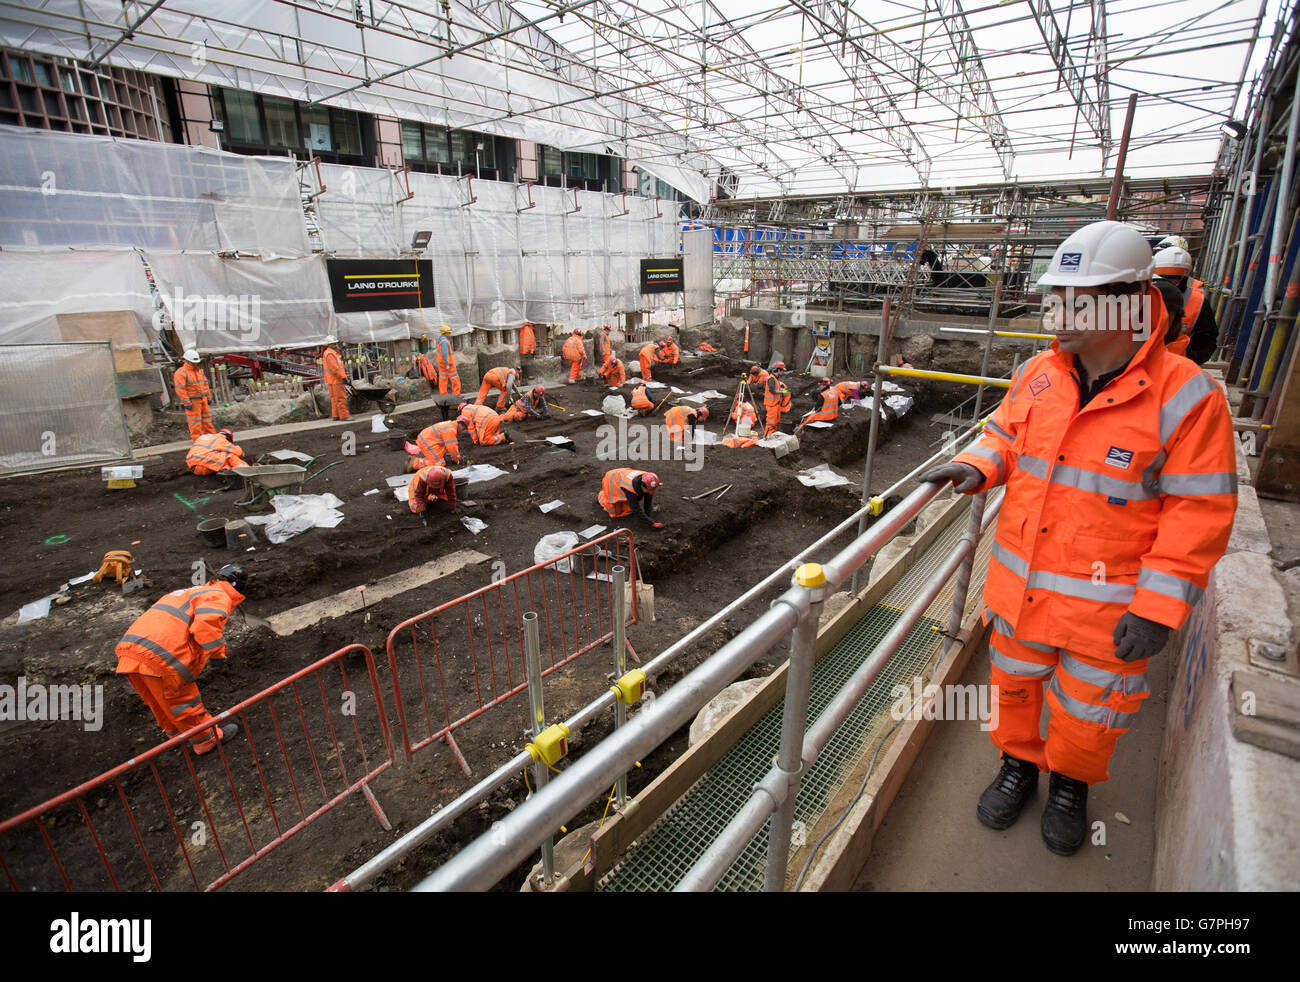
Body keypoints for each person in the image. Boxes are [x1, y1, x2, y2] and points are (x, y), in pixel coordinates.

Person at [920, 220, 1237, 857]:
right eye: (1055, 298)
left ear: (1128, 301)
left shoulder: (1188, 399)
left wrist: (1157, 609)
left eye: (1075, 299)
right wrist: (978, 465)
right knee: (1014, 688)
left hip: (1109, 610)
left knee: (1090, 713)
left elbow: (1198, 514)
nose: (1055, 314)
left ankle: (1069, 785)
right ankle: (1017, 765)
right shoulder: (1039, 373)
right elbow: (1007, 438)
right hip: (1021, 591)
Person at [114, 565, 247, 755]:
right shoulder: (219, 595)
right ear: (237, 587)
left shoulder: (191, 592)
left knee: (158, 700)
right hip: (162, 655)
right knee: (183, 701)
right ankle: (206, 740)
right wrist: (218, 655)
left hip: (131, 650)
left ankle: (177, 734)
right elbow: (205, 627)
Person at [1153, 246, 1217, 365]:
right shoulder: (1141, 293)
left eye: (1173, 278)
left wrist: (1190, 359)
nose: (1167, 283)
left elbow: (1207, 339)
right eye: (1163, 277)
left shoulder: (1197, 301)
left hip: (1175, 367)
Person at [598, 468, 663, 528]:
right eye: (648, 490)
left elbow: (648, 502)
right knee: (615, 512)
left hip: (622, 475)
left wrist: (648, 517)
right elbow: (636, 510)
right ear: (642, 486)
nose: (649, 492)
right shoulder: (629, 488)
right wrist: (652, 523)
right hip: (611, 479)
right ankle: (602, 496)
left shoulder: (649, 480)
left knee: (628, 510)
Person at [174, 350, 216, 439]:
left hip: (203, 398)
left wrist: (208, 396)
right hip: (193, 400)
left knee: (207, 419)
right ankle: (198, 438)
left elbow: (205, 384)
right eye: (193, 362)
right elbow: (180, 389)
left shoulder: (199, 371)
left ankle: (211, 436)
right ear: (187, 360)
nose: (195, 364)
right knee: (195, 421)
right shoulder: (181, 373)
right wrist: (187, 402)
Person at [321, 335, 349, 420]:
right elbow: (335, 369)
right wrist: (343, 377)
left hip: (332, 380)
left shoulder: (329, 353)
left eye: (335, 343)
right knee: (341, 398)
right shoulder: (330, 354)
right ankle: (344, 416)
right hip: (337, 380)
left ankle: (336, 415)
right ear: (329, 345)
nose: (335, 345)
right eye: (333, 344)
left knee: (334, 399)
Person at [763, 364, 791, 436]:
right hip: (771, 405)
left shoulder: (775, 378)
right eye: (782, 371)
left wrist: (783, 390)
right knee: (771, 422)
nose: (783, 373)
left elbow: (776, 389)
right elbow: (772, 391)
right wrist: (782, 391)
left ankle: (772, 436)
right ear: (778, 370)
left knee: (775, 422)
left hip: (775, 405)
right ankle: (767, 437)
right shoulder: (771, 379)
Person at [435, 325, 461, 395]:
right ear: (445, 333)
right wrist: (447, 364)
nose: (450, 334)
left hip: (441, 363)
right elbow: (444, 353)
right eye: (449, 333)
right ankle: (456, 394)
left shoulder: (440, 341)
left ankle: (443, 394)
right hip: (448, 364)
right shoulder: (444, 342)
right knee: (455, 379)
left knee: (443, 379)